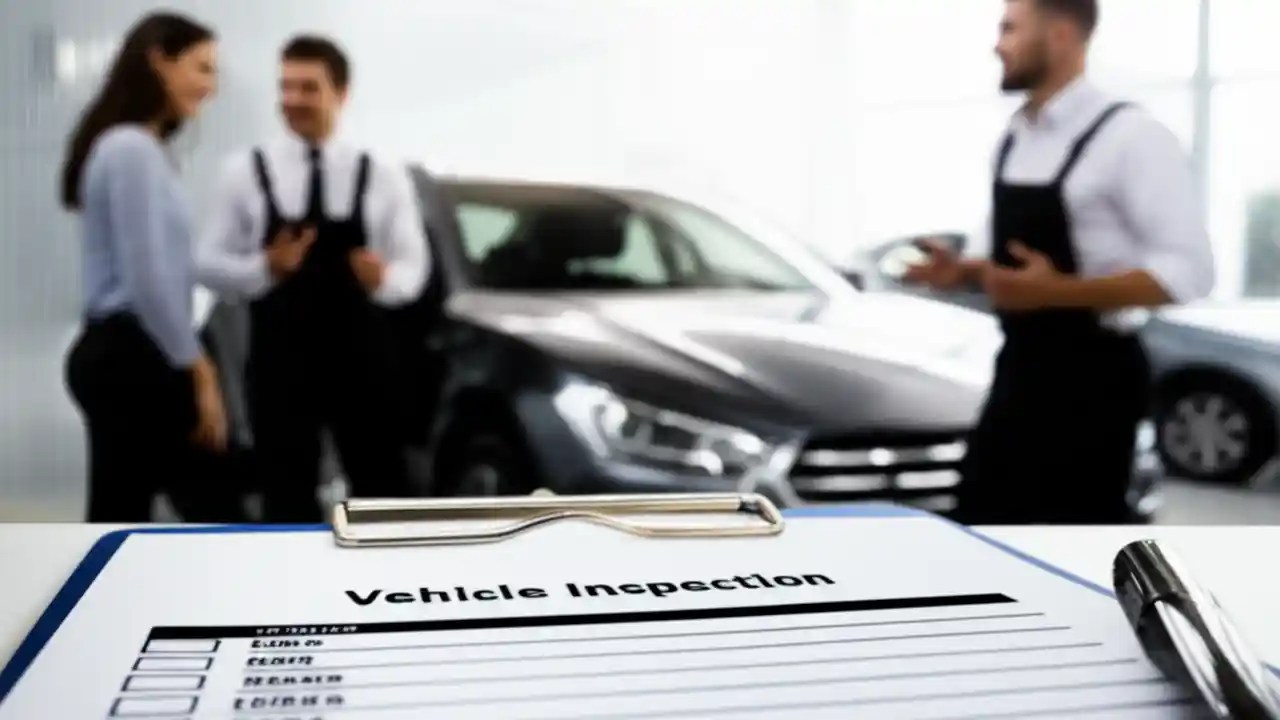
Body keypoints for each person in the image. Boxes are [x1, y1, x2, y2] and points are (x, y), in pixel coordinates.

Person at [905, 0, 1215, 524]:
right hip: (1020, 368)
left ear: (1062, 35)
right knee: (985, 521)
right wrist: (962, 273)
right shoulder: (1016, 136)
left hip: (1095, 381)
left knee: (1076, 536)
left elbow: (1190, 272)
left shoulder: (1131, 136)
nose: (997, 44)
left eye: (1010, 29)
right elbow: (1005, 267)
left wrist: (1054, 293)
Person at [197, 35, 429, 523]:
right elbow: (207, 262)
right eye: (285, 88)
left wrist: (383, 280)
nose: (293, 101)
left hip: (362, 358)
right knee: (284, 489)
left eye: (308, 88)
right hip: (280, 361)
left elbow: (415, 269)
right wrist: (265, 268)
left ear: (341, 93)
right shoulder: (245, 171)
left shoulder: (381, 173)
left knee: (381, 483)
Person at [60, 12, 231, 522]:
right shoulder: (131, 149)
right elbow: (149, 279)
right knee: (211, 512)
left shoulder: (139, 149)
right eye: (202, 68)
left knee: (120, 514)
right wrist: (200, 369)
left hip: (125, 353)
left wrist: (261, 267)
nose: (210, 87)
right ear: (159, 60)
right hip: (134, 355)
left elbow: (176, 264)